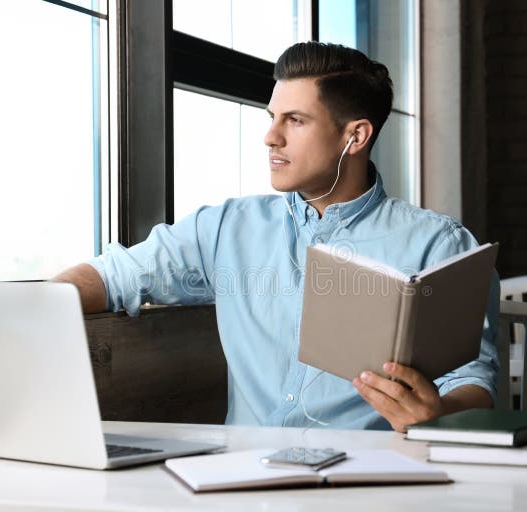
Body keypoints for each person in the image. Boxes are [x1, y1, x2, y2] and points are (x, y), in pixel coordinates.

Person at [53, 42, 499, 432]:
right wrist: (30, 307)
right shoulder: (227, 227)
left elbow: (474, 384)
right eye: (272, 117)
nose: (270, 136)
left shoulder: (438, 245)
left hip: (370, 484)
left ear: (355, 136)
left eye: (295, 120)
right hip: (244, 478)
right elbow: (114, 277)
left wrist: (436, 416)